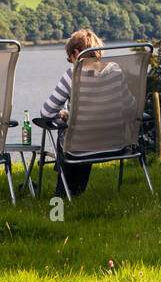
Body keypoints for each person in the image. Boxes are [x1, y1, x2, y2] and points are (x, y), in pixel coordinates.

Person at [41, 29, 135, 197]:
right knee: (84, 130)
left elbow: (46, 112)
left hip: (79, 146)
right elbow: (131, 106)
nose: (71, 62)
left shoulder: (72, 75)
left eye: (69, 58)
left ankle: (63, 193)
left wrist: (64, 114)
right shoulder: (115, 71)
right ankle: (76, 190)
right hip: (114, 144)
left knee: (69, 133)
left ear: (76, 53)